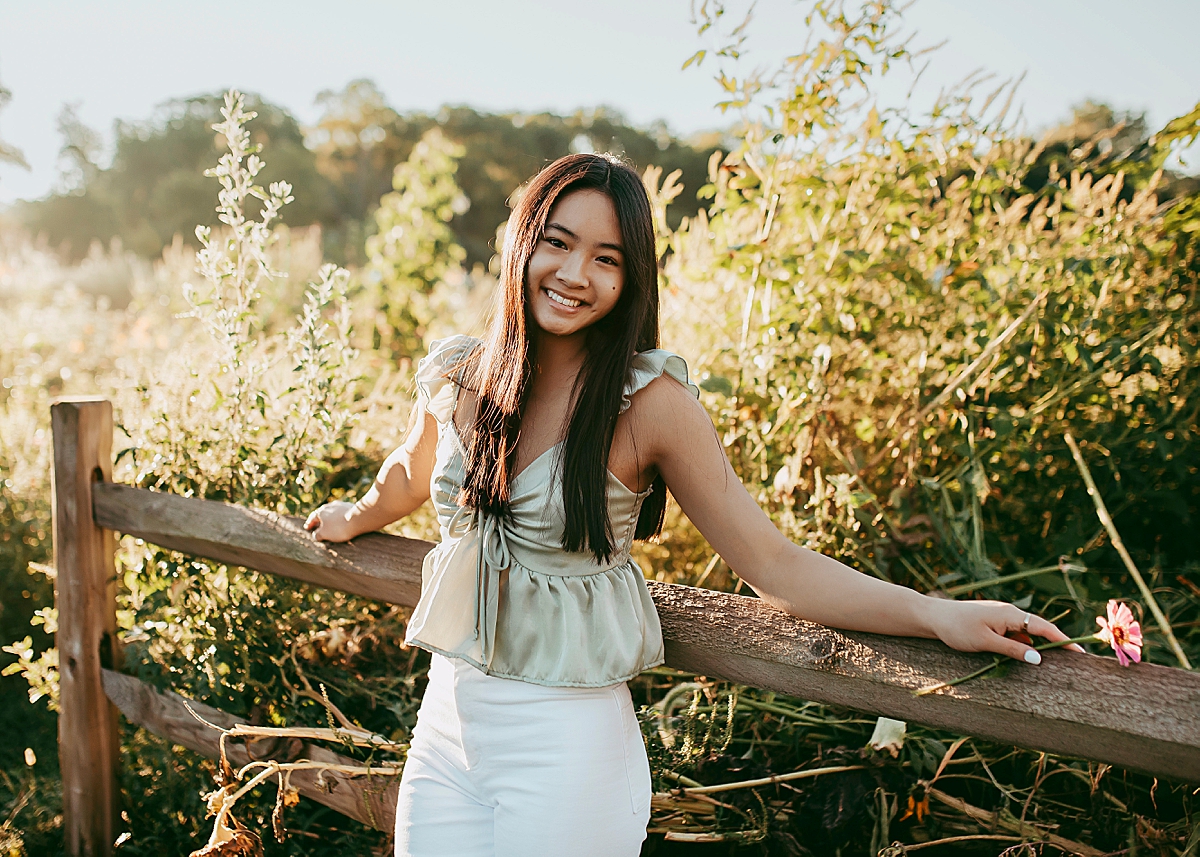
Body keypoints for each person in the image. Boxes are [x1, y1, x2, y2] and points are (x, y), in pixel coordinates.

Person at [304, 153, 1075, 857]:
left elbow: (772, 561)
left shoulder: (650, 402)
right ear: (520, 243)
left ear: (632, 278)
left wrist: (937, 614)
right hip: (444, 732)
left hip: (565, 753)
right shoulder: (461, 373)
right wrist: (353, 517)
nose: (576, 273)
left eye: (607, 259)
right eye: (558, 242)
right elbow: (410, 473)